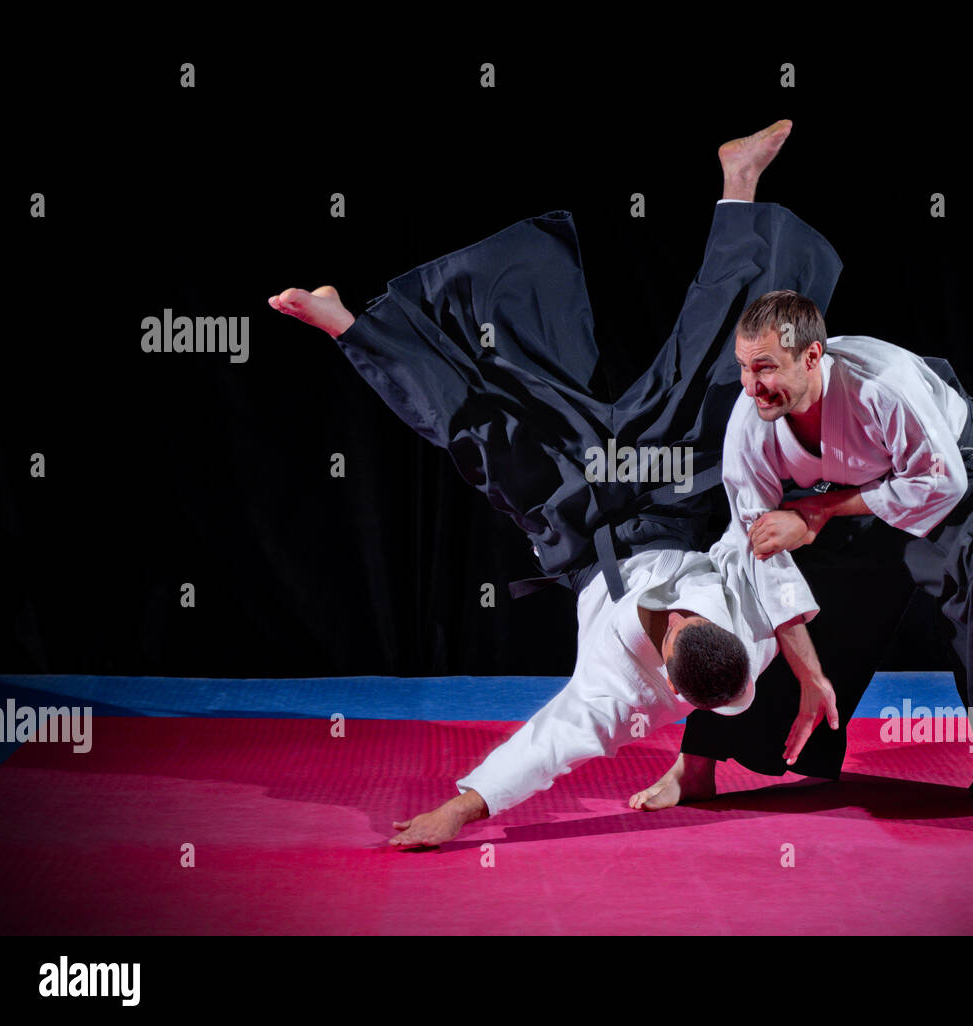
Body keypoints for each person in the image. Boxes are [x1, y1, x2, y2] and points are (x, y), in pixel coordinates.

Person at [268, 121, 845, 847]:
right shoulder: (715, 638)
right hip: (664, 495)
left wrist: (463, 806)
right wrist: (814, 677)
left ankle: (348, 326)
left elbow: (550, 742)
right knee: (702, 372)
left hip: (576, 534)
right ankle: (738, 184)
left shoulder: (630, 685)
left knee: (482, 435)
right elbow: (770, 567)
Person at [634, 290, 973, 831]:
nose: (752, 386)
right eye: (745, 368)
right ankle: (697, 765)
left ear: (813, 357)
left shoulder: (882, 385)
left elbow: (942, 482)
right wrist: (810, 673)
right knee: (753, 578)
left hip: (965, 475)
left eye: (767, 367)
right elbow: (762, 560)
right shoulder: (749, 428)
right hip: (858, 491)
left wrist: (818, 511)